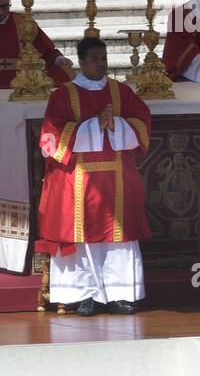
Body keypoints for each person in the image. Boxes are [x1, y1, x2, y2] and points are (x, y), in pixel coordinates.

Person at [35, 37, 150, 316]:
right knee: (83, 238)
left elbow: (142, 120)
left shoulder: (120, 91)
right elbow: (50, 136)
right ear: (82, 62)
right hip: (77, 178)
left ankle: (120, 294)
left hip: (117, 178)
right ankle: (84, 296)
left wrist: (117, 124)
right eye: (95, 59)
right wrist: (93, 126)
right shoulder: (63, 95)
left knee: (117, 237)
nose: (101, 64)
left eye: (104, 58)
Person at [0, 0, 73, 89]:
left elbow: (46, 52)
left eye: (5, 6)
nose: (1, 12)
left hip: (21, 90)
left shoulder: (23, 24)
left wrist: (58, 59)